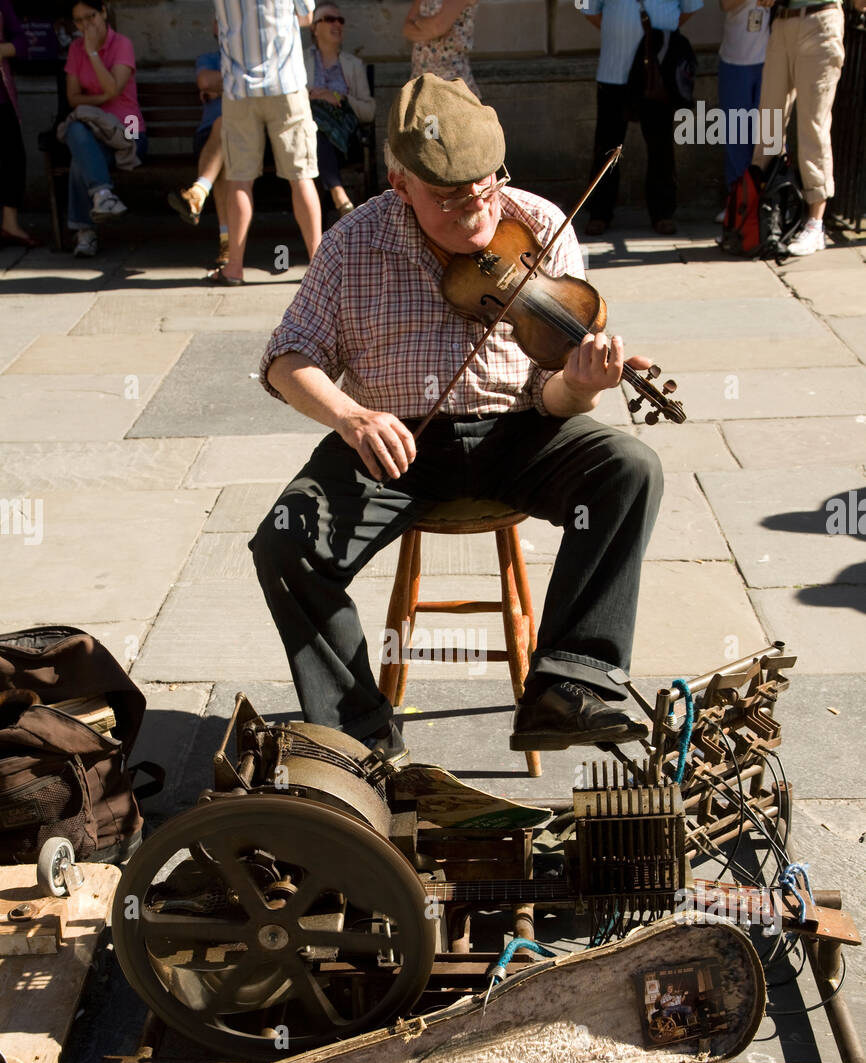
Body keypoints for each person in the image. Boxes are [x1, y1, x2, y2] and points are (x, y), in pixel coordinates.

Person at [250, 75, 662, 764]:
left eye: (484, 186)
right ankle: (359, 735)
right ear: (398, 181)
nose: (476, 212)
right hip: (393, 442)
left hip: (519, 433)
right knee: (284, 544)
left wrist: (580, 389)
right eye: (448, 197)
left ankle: (568, 682)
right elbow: (286, 359)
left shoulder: (540, 225)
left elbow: (551, 395)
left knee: (630, 470)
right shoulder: (354, 243)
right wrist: (351, 417)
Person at [211, 0, 321, 286]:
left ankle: (234, 267)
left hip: (238, 87)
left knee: (239, 180)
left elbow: (218, 23)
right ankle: (319, 264)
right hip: (286, 83)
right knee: (301, 177)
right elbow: (307, 16)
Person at [582, 0, 702, 235]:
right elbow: (584, 6)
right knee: (606, 145)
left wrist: (655, 35)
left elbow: (691, 7)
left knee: (661, 147)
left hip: (656, 74)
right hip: (614, 71)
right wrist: (615, 31)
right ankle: (599, 213)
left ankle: (662, 213)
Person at [751, 0, 860, 257]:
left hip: (821, 19)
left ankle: (815, 224)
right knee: (769, 122)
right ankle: (766, 218)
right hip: (783, 22)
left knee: (813, 125)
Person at [62, 1, 146, 258]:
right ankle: (103, 194)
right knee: (75, 129)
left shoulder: (122, 44)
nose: (86, 25)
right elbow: (72, 98)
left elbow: (114, 89)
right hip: (97, 131)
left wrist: (93, 53)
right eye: (79, 21)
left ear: (104, 13)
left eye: (91, 17)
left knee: (81, 158)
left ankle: (84, 232)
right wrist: (100, 108)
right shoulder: (75, 50)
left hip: (131, 128)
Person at [304, 4, 375, 220]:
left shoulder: (353, 65)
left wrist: (338, 98)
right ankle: (337, 191)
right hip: (307, 128)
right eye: (329, 19)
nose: (337, 24)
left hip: (345, 134)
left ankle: (334, 193)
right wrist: (313, 97)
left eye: (340, 20)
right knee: (313, 128)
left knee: (314, 133)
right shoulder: (299, 61)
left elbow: (369, 110)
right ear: (315, 28)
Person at [168, 19, 229, 268]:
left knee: (228, 131)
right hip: (210, 139)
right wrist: (238, 84)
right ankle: (227, 244)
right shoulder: (208, 58)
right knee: (224, 132)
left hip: (248, 135)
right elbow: (205, 81)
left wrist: (222, 85)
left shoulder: (252, 61)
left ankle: (198, 193)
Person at [717, 0, 770, 205]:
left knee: (769, 133)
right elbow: (726, 4)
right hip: (734, 60)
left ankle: (768, 203)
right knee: (736, 135)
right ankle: (738, 203)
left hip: (770, 58)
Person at [0, 0, 40, 247]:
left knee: (12, 157)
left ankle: (9, 223)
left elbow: (22, 43)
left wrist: (3, 50)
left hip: (1, 96)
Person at [404, 0, 481, 97]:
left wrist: (417, 21)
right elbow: (407, 29)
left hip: (451, 81)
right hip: (420, 81)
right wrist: (429, 28)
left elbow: (438, 27)